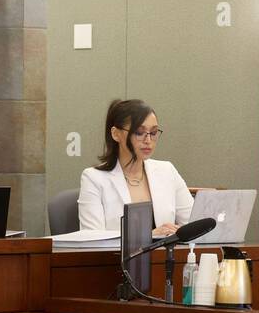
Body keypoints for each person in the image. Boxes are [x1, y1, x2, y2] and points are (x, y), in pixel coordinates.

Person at [78, 99, 194, 236]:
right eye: (139, 132)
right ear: (116, 134)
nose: (148, 140)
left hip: (165, 256)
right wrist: (148, 236)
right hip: (116, 257)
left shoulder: (167, 171)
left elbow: (194, 222)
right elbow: (92, 237)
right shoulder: (93, 178)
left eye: (154, 132)